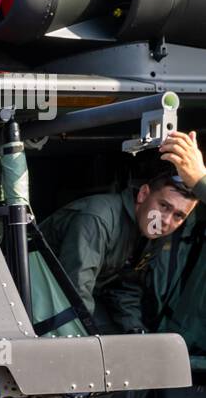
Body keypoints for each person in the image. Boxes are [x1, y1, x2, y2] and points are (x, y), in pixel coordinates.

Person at [39, 130, 206, 334]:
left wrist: (135, 331)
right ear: (144, 194)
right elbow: (75, 291)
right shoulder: (98, 219)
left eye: (179, 216)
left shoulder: (151, 231)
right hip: (37, 298)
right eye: (163, 206)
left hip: (79, 301)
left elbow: (125, 288)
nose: (167, 221)